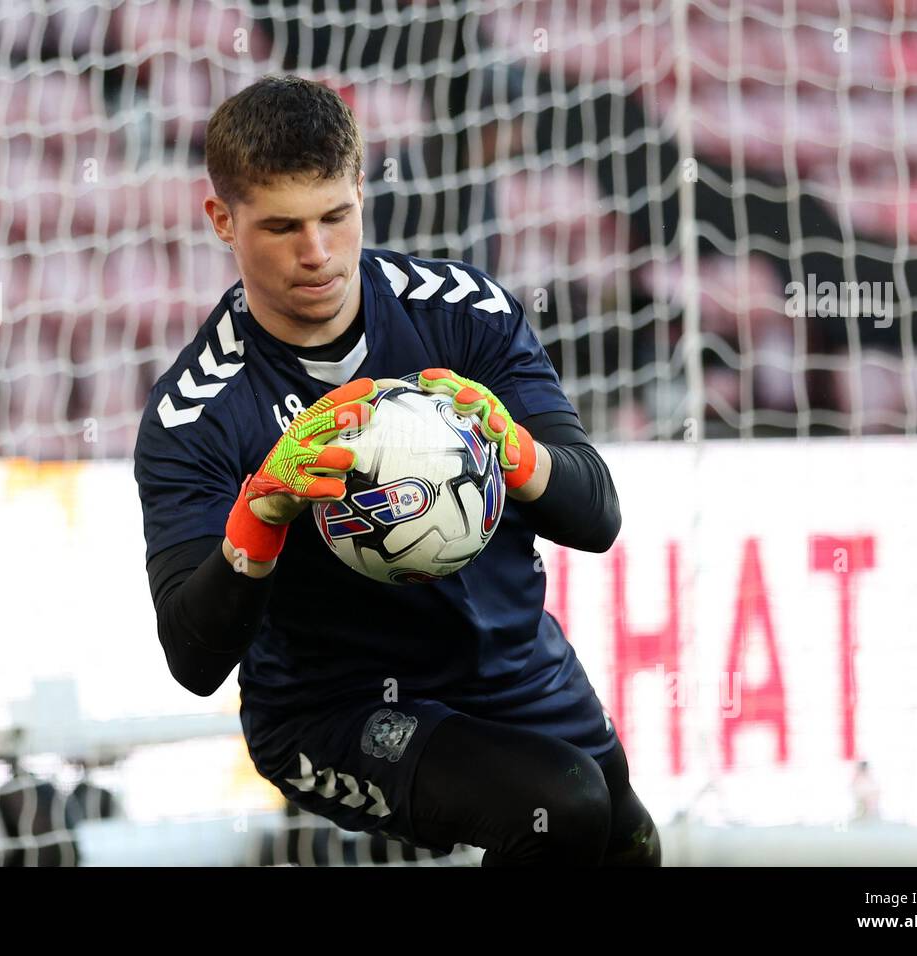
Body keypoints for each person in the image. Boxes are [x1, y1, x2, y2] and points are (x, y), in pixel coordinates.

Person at [134, 74, 659, 866]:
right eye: (281, 227)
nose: (316, 254)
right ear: (222, 220)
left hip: (512, 664)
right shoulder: (197, 411)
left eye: (335, 217)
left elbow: (597, 516)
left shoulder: (465, 313)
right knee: (561, 804)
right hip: (333, 711)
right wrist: (266, 509)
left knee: (625, 838)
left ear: (360, 189)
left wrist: (514, 452)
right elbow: (193, 658)